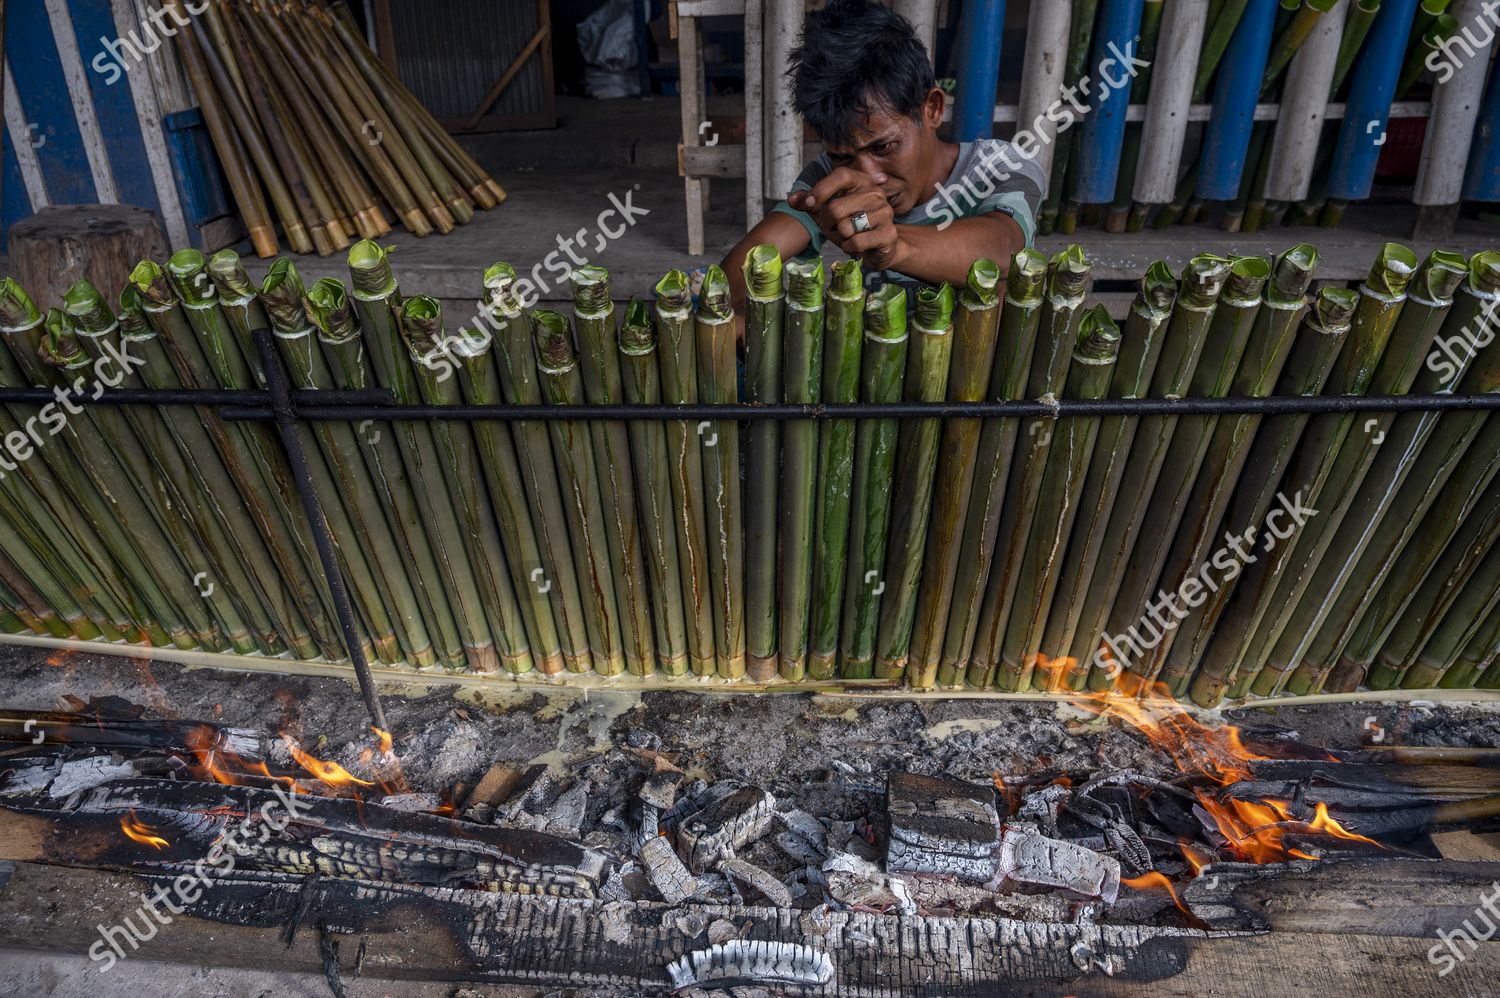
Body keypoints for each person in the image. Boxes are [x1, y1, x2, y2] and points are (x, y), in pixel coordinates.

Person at [722, 0, 1044, 315]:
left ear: (932, 109)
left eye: (883, 147)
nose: (870, 177)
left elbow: (1004, 251)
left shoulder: (1002, 167)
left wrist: (895, 246)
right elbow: (740, 271)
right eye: (842, 156)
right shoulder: (829, 181)